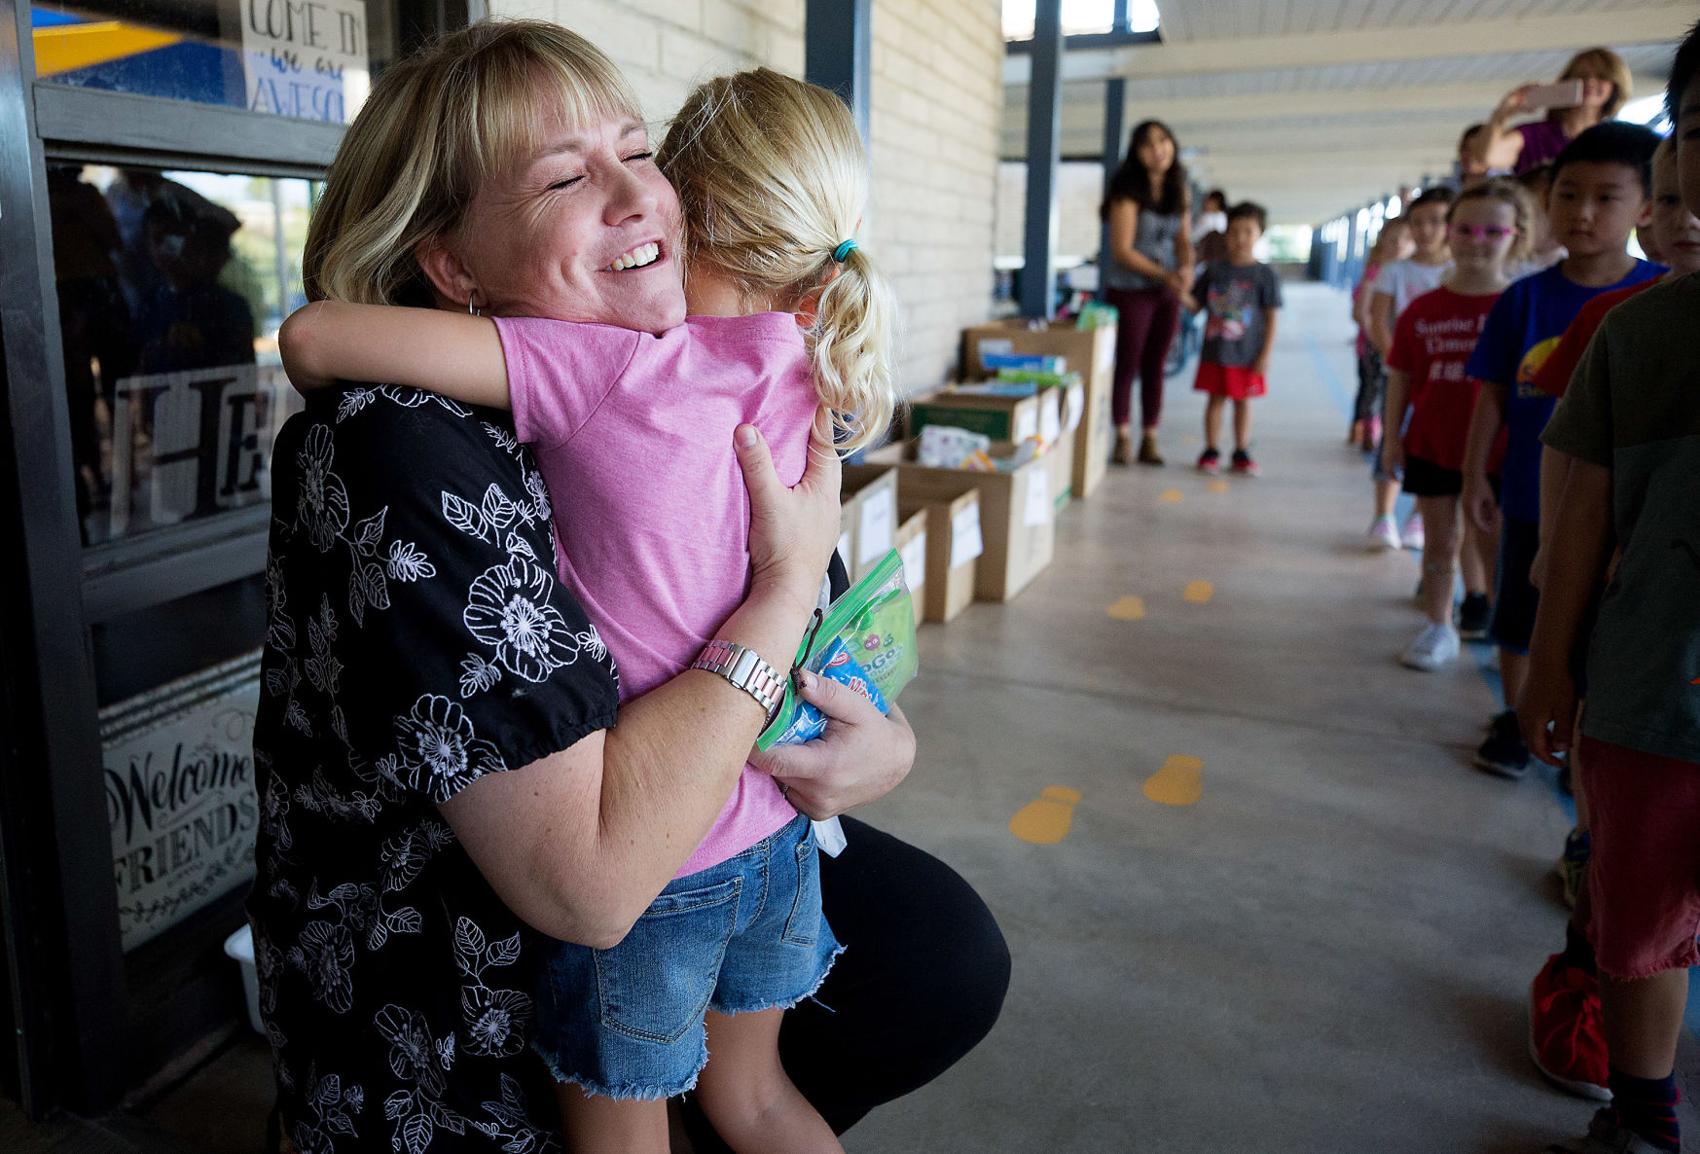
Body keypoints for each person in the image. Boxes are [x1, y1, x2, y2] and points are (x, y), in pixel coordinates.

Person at [251, 22, 1008, 1154]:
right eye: (564, 175)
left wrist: (877, 741)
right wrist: (783, 583)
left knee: (934, 952)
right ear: (450, 266)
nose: (640, 198)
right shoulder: (403, 440)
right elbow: (592, 884)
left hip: (718, 839)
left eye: (638, 150)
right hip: (485, 982)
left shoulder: (700, 358)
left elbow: (825, 625)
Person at [1519, 32, 1700, 1154]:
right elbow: (1574, 514)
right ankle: (1641, 1110)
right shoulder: (1639, 334)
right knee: (1641, 917)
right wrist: (1546, 662)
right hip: (1650, 698)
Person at [1458, 121, 1663, 781]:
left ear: (1648, 205)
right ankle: (1519, 714)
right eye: (1569, 194)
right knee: (1519, 617)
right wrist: (1473, 477)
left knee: (1603, 633)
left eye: (1608, 197)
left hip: (1627, 515)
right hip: (1527, 495)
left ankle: (1587, 738)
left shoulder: (1662, 300)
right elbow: (1491, 394)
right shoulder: (1523, 299)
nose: (1583, 212)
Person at [1379, 180, 1528, 670]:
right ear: (1448, 233)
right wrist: (1390, 443)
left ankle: (1506, 639)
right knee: (1441, 542)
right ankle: (1439, 625)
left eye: (1492, 230)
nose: (1476, 240)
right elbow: (1400, 380)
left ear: (1515, 235)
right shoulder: (1422, 310)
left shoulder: (1520, 307)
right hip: (1432, 445)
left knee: (1495, 549)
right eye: (1464, 228)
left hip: (1499, 455)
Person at [1100, 119, 1194, 466]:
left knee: (1156, 364)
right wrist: (1164, 274)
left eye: (1164, 141)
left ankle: (1150, 436)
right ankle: (1122, 435)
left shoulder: (1178, 192)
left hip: (1166, 290)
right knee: (1128, 363)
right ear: (1137, 153)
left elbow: (1183, 240)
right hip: (1130, 290)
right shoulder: (1126, 193)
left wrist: (1184, 270)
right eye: (1149, 144)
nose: (1158, 150)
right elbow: (1122, 250)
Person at [1366, 187, 1453, 551]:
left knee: (1434, 445)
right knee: (1394, 437)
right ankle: (1384, 516)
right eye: (1418, 222)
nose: (1426, 230)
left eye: (1436, 221)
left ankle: (1419, 515)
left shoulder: (1458, 272)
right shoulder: (1395, 271)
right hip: (1402, 375)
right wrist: (1398, 361)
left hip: (1447, 380)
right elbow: (1378, 319)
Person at [1190, 202, 1280, 478]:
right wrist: (1176, 287)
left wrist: (1265, 354)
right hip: (1216, 351)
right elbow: (1195, 306)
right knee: (1215, 400)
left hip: (1247, 353)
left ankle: (1241, 451)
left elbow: (1271, 317)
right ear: (1226, 234)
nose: (1241, 238)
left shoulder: (1265, 275)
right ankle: (1211, 450)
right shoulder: (1213, 271)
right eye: (1235, 231)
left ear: (1259, 235)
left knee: (1243, 401)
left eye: (1248, 231)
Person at [1469, 47, 1633, 176]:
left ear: (1615, 86)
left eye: (1601, 76)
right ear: (1566, 83)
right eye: (1581, 76)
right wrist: (1503, 111)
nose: (1590, 81)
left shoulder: (1616, 140)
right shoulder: (1534, 135)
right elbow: (1487, 156)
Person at [1349, 217, 1412, 449]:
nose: (1399, 245)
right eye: (1393, 239)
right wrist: (1379, 341)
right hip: (1373, 346)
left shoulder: (1416, 275)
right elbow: (1362, 313)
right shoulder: (1374, 273)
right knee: (1371, 387)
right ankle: (1367, 424)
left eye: (1406, 239)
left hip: (1401, 348)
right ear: (1382, 242)